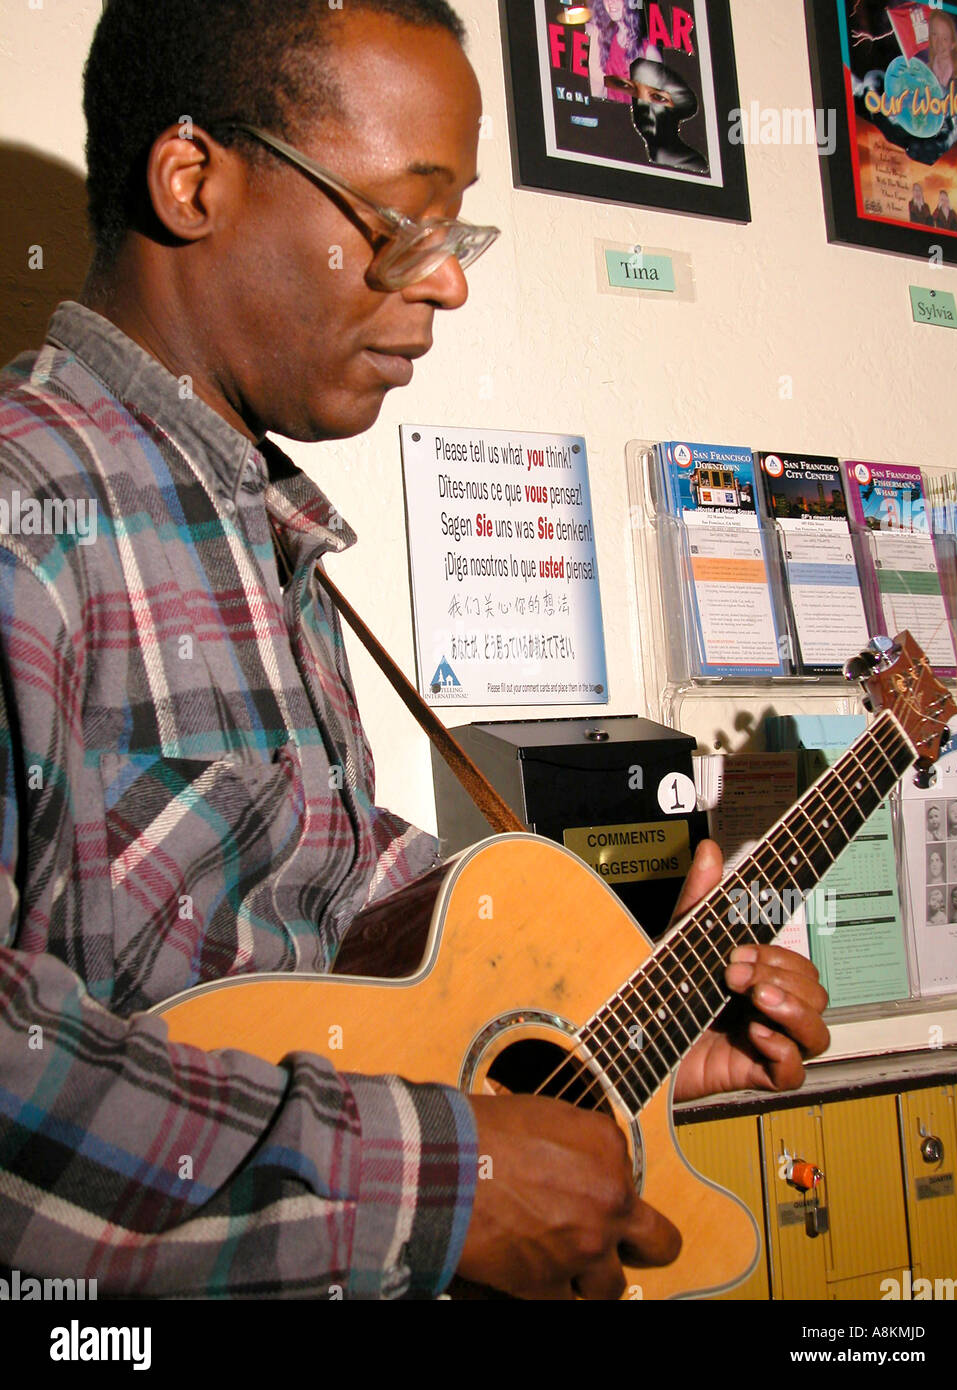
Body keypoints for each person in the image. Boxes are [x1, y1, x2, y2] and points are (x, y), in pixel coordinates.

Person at [0, 0, 829, 1300]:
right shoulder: (27, 510)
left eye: (458, 229)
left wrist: (622, 1044)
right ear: (191, 179)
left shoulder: (266, 544)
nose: (446, 279)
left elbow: (358, 979)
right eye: (405, 218)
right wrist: (442, 1182)